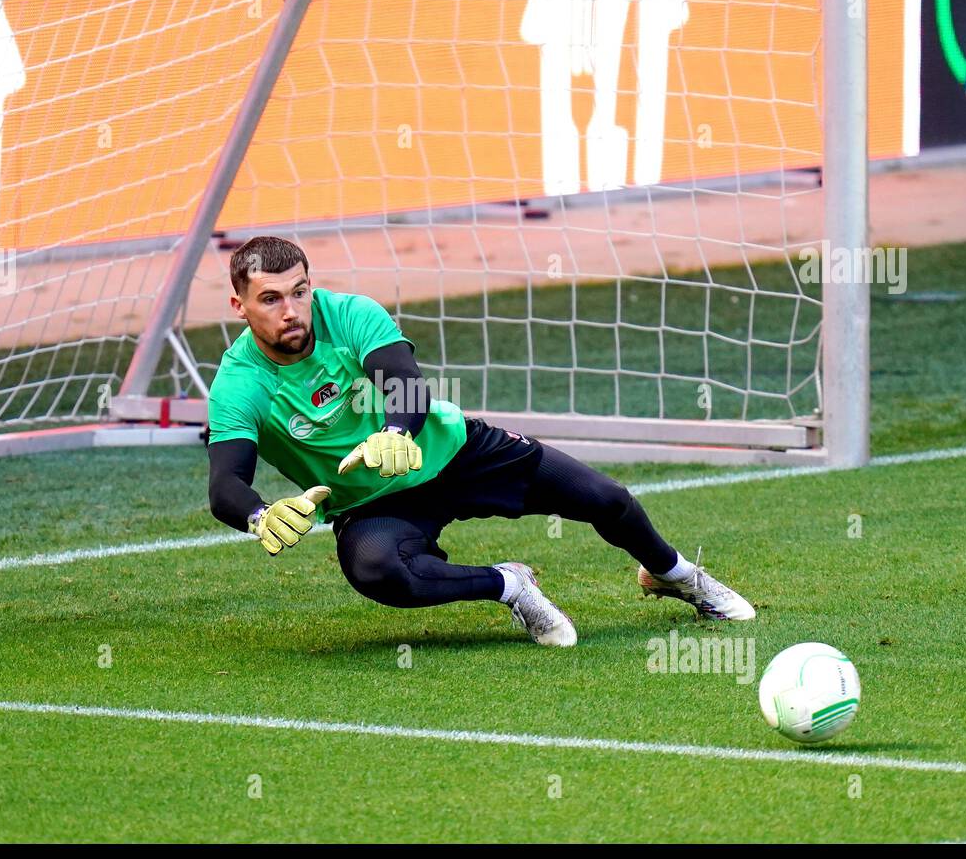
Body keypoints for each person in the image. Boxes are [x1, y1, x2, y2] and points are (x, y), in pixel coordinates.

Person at [207, 237, 754, 647]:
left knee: (606, 500)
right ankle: (509, 585)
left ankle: (676, 576)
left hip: (453, 450)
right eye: (271, 299)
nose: (292, 311)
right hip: (374, 501)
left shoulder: (349, 313)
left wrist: (397, 431)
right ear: (240, 306)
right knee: (380, 572)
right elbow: (225, 482)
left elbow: (403, 380)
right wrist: (259, 516)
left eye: (300, 292)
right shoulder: (239, 383)